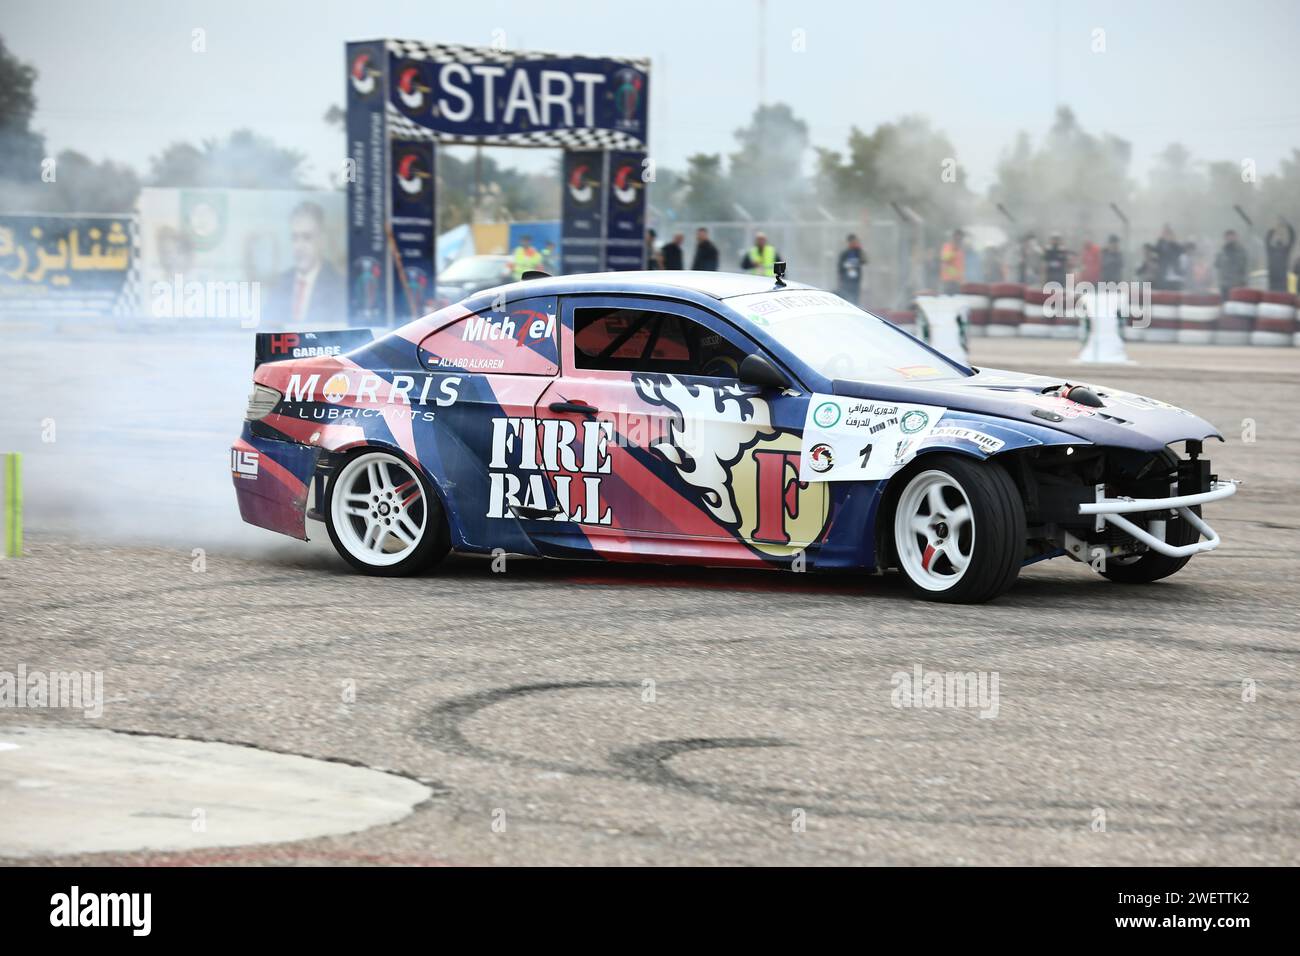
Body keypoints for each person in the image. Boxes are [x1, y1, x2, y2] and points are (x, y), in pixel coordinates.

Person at [268, 201, 345, 326]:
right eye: (295, 238)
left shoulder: (339, 286)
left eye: (307, 237)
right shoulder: (279, 284)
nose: (299, 246)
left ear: (322, 240)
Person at [1153, 225, 1188, 291]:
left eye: (1168, 233)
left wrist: (1172, 241)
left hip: (1175, 277)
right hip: (1163, 276)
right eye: (1165, 233)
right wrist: (1161, 240)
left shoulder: (1175, 245)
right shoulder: (1161, 244)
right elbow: (1156, 251)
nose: (1167, 235)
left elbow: (1182, 251)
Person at [1265, 217, 1295, 292]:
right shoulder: (1271, 250)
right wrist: (1273, 229)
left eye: (1281, 236)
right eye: (1278, 236)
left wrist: (1287, 225)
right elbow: (1267, 240)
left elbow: (1292, 238)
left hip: (1282, 281)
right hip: (1273, 280)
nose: (1279, 238)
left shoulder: (1285, 250)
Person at [836, 233, 868, 304]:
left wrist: (859, 249)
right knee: (846, 298)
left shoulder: (858, 253)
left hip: (855, 282)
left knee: (855, 299)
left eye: (856, 242)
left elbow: (865, 261)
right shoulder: (845, 254)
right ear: (849, 242)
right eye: (853, 242)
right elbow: (840, 268)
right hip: (846, 282)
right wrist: (840, 281)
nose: (854, 243)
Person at [938, 228, 965, 293]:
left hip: (957, 282)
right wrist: (955, 275)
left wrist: (960, 279)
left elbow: (960, 266)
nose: (959, 239)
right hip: (949, 281)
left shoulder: (960, 250)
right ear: (953, 237)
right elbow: (945, 263)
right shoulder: (948, 247)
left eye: (960, 238)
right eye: (957, 237)